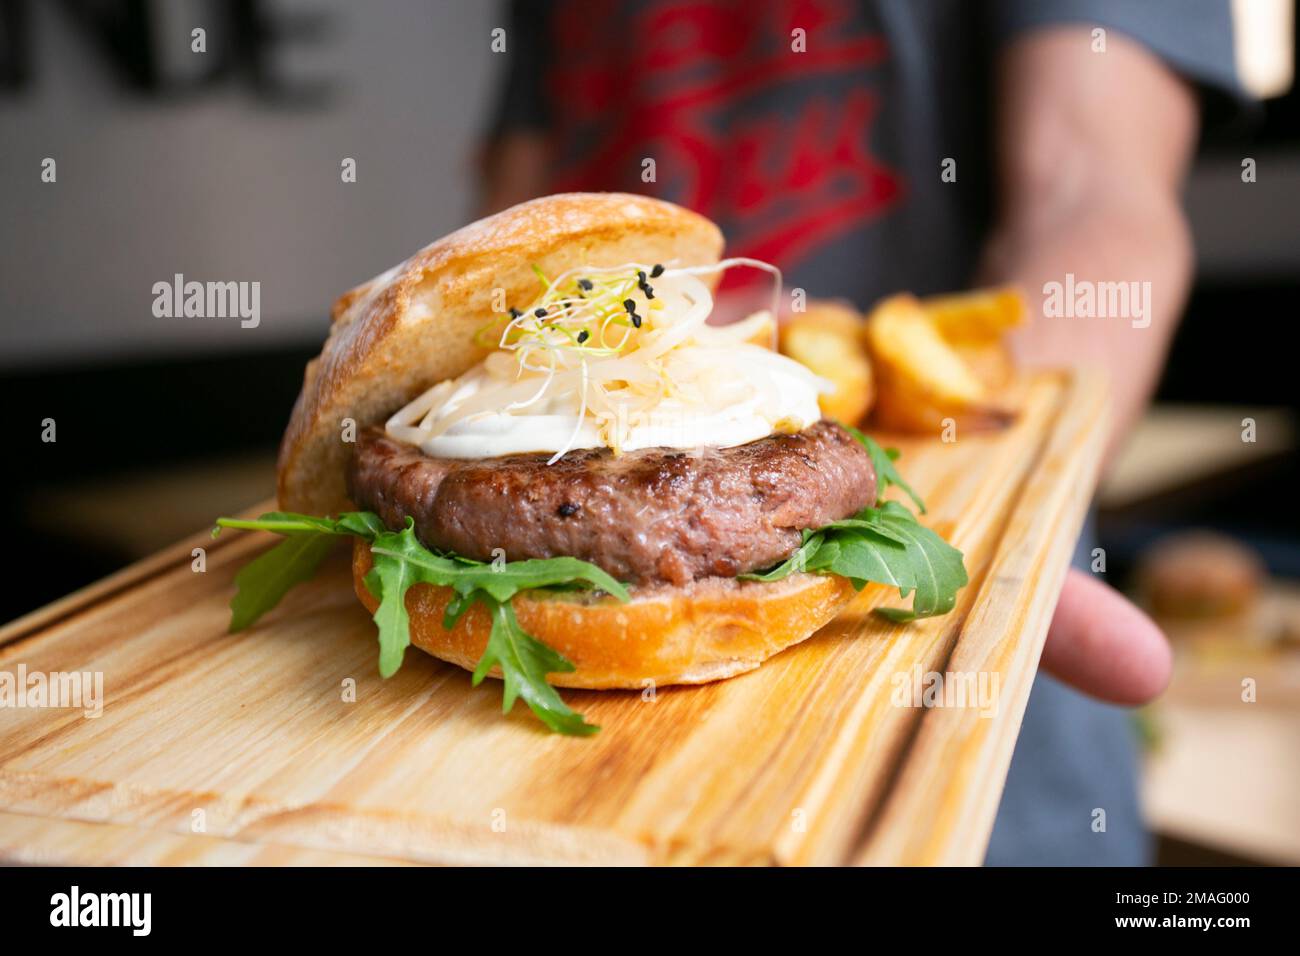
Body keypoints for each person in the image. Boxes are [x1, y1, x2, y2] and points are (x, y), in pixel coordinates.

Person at [479, 0, 1246, 864]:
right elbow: (519, 216)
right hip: (563, 786)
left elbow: (1094, 196)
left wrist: (992, 506)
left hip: (947, 704)